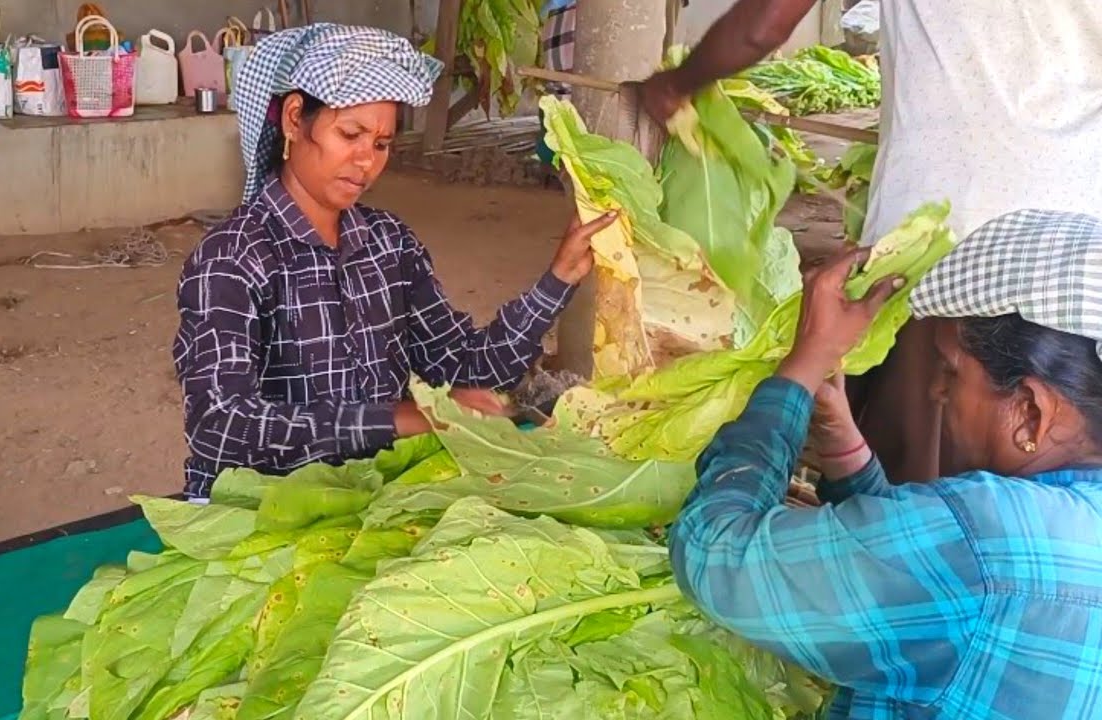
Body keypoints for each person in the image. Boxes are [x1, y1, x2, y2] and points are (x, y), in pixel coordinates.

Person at [639, 0, 1102, 482]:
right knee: (1061, 470)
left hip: (941, 245)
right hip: (1079, 257)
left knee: (912, 480)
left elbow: (764, 24)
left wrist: (675, 85)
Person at [670, 209, 1102, 718]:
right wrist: (845, 447)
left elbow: (713, 553)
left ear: (1030, 412)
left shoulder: (989, 541)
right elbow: (914, 571)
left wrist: (802, 366)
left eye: (951, 372)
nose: (938, 391)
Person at [172, 24, 614, 499]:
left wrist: (558, 278)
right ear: (295, 119)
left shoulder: (389, 244)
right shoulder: (233, 256)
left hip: (372, 498)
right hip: (259, 511)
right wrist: (401, 418)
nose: (366, 160)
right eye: (350, 134)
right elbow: (221, 426)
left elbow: (466, 370)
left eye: (381, 144)